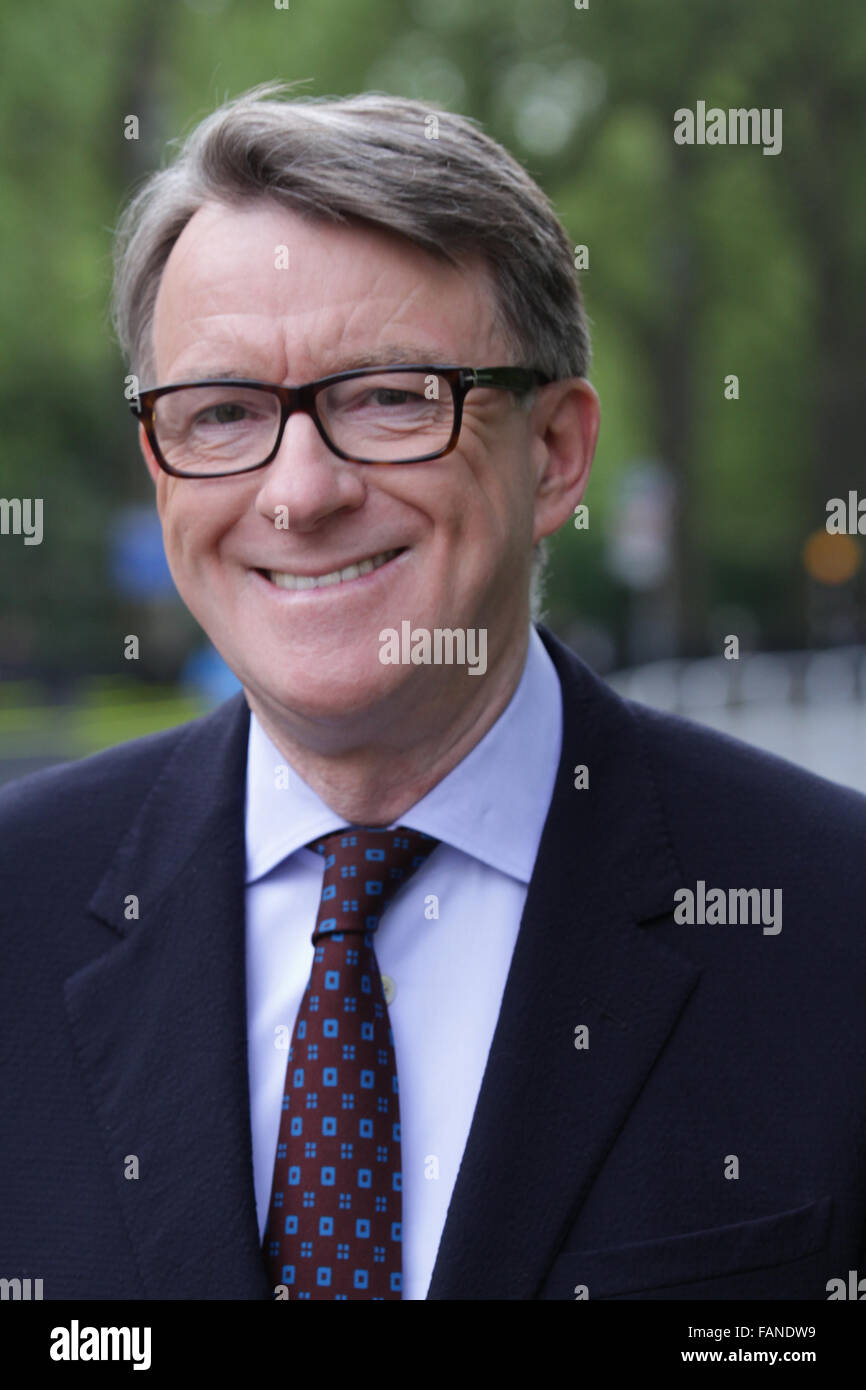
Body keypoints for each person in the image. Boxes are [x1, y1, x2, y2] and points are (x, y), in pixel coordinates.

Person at [2, 83, 865, 1302]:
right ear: (160, 467)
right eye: (225, 412)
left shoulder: (831, 922)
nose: (299, 492)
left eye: (387, 397)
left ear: (555, 452)